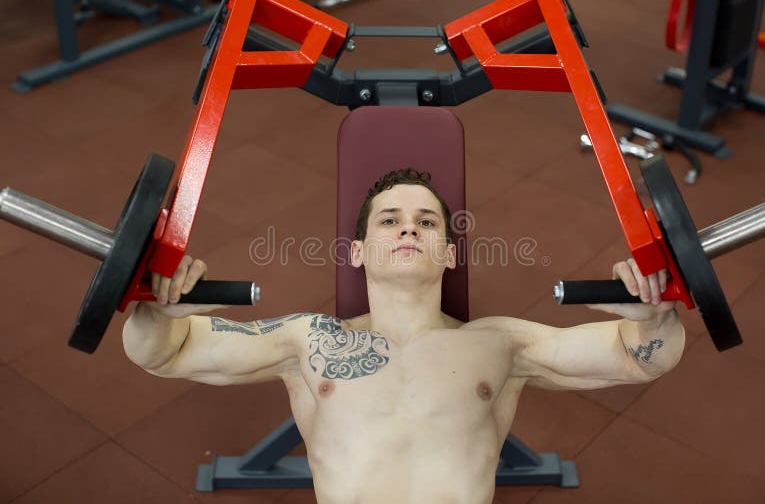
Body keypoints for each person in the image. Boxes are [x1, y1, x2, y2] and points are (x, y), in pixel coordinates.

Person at [123, 168, 685, 504]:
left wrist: (653, 316)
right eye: (389, 219)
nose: (410, 226)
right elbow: (163, 353)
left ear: (449, 252)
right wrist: (159, 304)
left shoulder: (501, 343)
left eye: (427, 221)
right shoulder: (307, 342)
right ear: (358, 252)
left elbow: (639, 359)